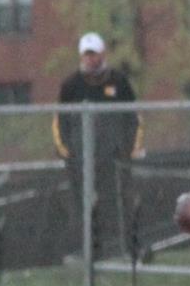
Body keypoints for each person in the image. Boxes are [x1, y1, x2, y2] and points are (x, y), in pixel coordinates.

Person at [53, 32, 141, 260]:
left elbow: (134, 119)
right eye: (86, 54)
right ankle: (88, 253)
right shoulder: (71, 85)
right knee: (82, 207)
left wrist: (128, 150)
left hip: (113, 160)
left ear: (102, 54)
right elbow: (59, 122)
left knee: (118, 204)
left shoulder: (118, 82)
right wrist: (68, 153)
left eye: (94, 54)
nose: (90, 59)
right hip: (81, 162)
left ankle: (125, 251)